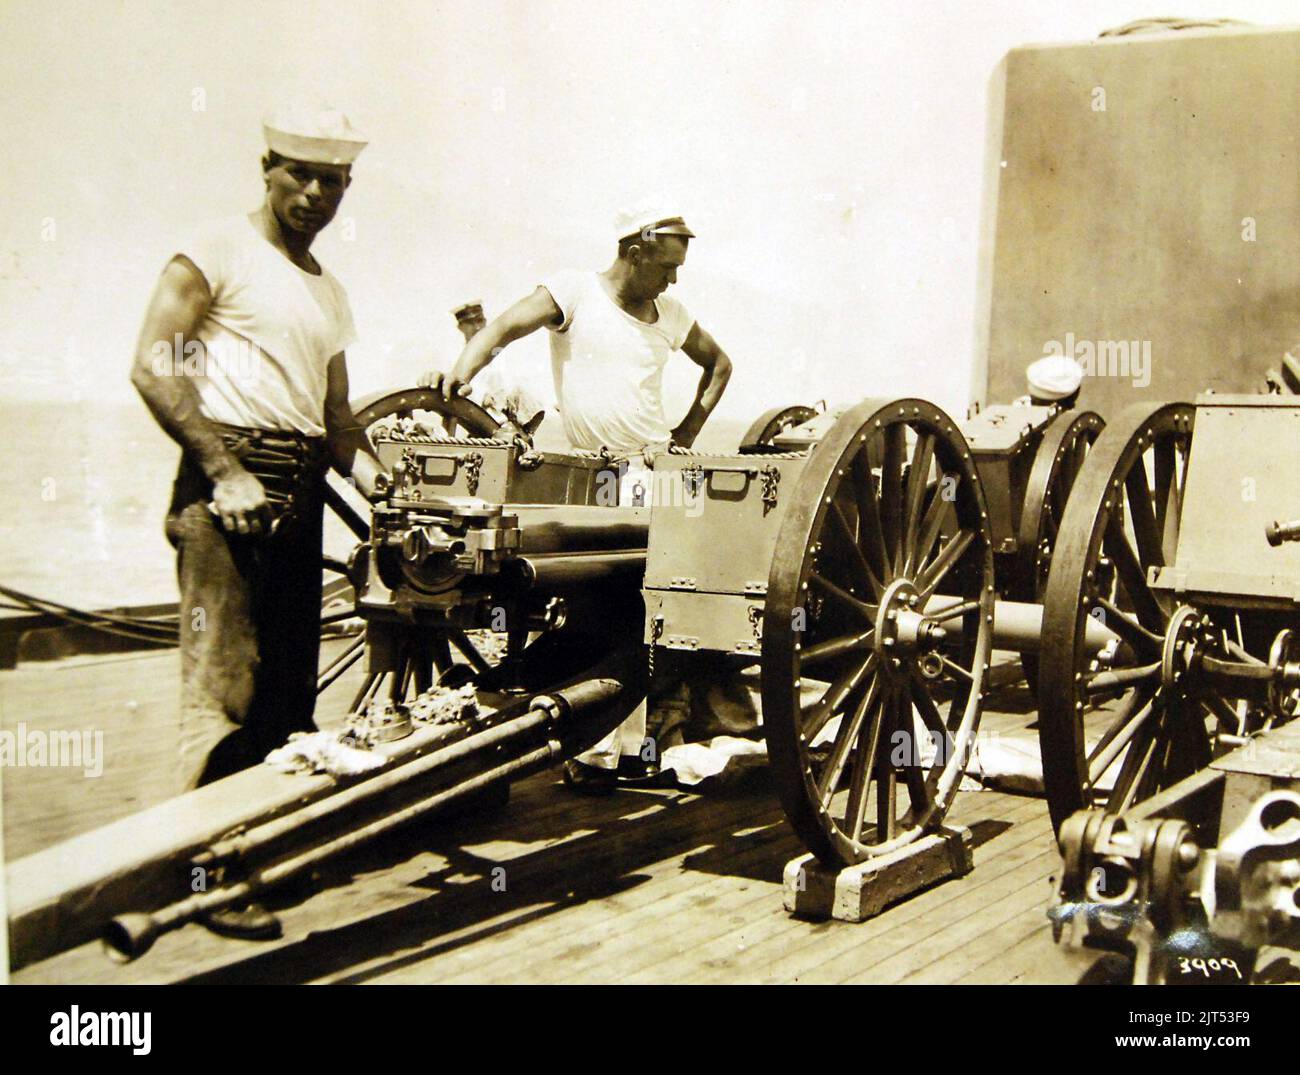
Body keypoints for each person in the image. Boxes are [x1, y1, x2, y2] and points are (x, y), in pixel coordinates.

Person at [130, 103, 385, 937]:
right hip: (227, 494)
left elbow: (338, 416)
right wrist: (223, 468)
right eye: (301, 176)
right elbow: (154, 365)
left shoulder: (327, 291)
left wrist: (380, 479)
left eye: (334, 182)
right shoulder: (216, 249)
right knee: (221, 693)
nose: (316, 194)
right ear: (267, 169)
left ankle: (261, 848)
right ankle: (200, 875)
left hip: (302, 490)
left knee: (285, 692)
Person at [421, 200, 733, 792]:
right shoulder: (574, 293)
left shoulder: (671, 313)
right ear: (633, 249)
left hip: (653, 474)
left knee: (644, 606)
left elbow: (719, 365)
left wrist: (686, 435)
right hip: (595, 478)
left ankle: (615, 752)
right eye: (666, 266)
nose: (673, 279)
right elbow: (503, 328)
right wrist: (462, 370)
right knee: (600, 603)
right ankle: (592, 747)